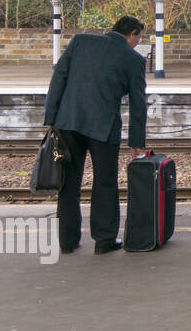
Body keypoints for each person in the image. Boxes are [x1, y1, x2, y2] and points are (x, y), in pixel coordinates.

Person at [43, 15, 147, 255]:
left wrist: (51, 117)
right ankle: (104, 240)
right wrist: (136, 142)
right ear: (132, 34)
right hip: (104, 127)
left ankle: (67, 241)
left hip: (69, 122)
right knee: (105, 183)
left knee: (68, 183)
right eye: (138, 37)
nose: (137, 42)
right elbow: (138, 103)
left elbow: (59, 77)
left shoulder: (81, 42)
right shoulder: (133, 59)